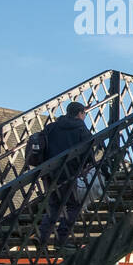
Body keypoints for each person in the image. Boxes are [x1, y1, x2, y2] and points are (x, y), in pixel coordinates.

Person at [36, 102, 93, 249]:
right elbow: (89, 152)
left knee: (54, 205)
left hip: (50, 172)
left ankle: (42, 236)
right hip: (69, 173)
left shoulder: (52, 127)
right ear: (80, 113)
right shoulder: (81, 128)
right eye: (84, 114)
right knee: (74, 206)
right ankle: (61, 239)